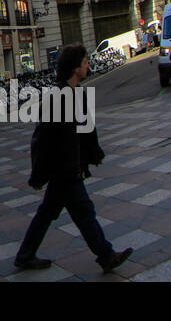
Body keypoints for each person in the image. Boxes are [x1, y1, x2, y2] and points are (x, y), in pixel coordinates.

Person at [13, 44, 132, 275]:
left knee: (48, 213)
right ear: (75, 67)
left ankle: (25, 255)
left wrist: (94, 154)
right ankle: (106, 256)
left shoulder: (76, 93)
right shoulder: (57, 97)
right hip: (64, 170)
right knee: (83, 211)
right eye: (85, 61)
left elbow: (86, 131)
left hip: (69, 168)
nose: (88, 65)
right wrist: (38, 174)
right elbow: (42, 139)